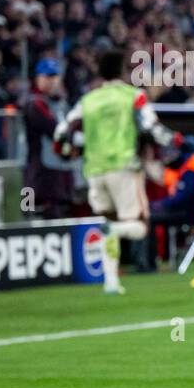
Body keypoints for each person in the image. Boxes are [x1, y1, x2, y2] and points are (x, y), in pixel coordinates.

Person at [55, 49, 177, 294]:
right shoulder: (133, 96)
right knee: (140, 226)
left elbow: (62, 132)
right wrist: (173, 140)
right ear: (123, 71)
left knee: (107, 223)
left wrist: (70, 149)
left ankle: (111, 282)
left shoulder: (87, 100)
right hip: (123, 167)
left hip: (94, 171)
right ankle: (116, 236)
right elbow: (151, 126)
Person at [146, 137, 194, 268]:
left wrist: (160, 205)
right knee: (154, 214)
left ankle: (149, 264)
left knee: (151, 218)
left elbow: (183, 198)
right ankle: (159, 259)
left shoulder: (193, 167)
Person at [20, 58, 76, 219]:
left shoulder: (60, 103)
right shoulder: (34, 103)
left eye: (55, 76)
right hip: (35, 168)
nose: (52, 81)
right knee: (30, 209)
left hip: (54, 170)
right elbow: (55, 130)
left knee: (58, 209)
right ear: (38, 78)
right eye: (47, 76)